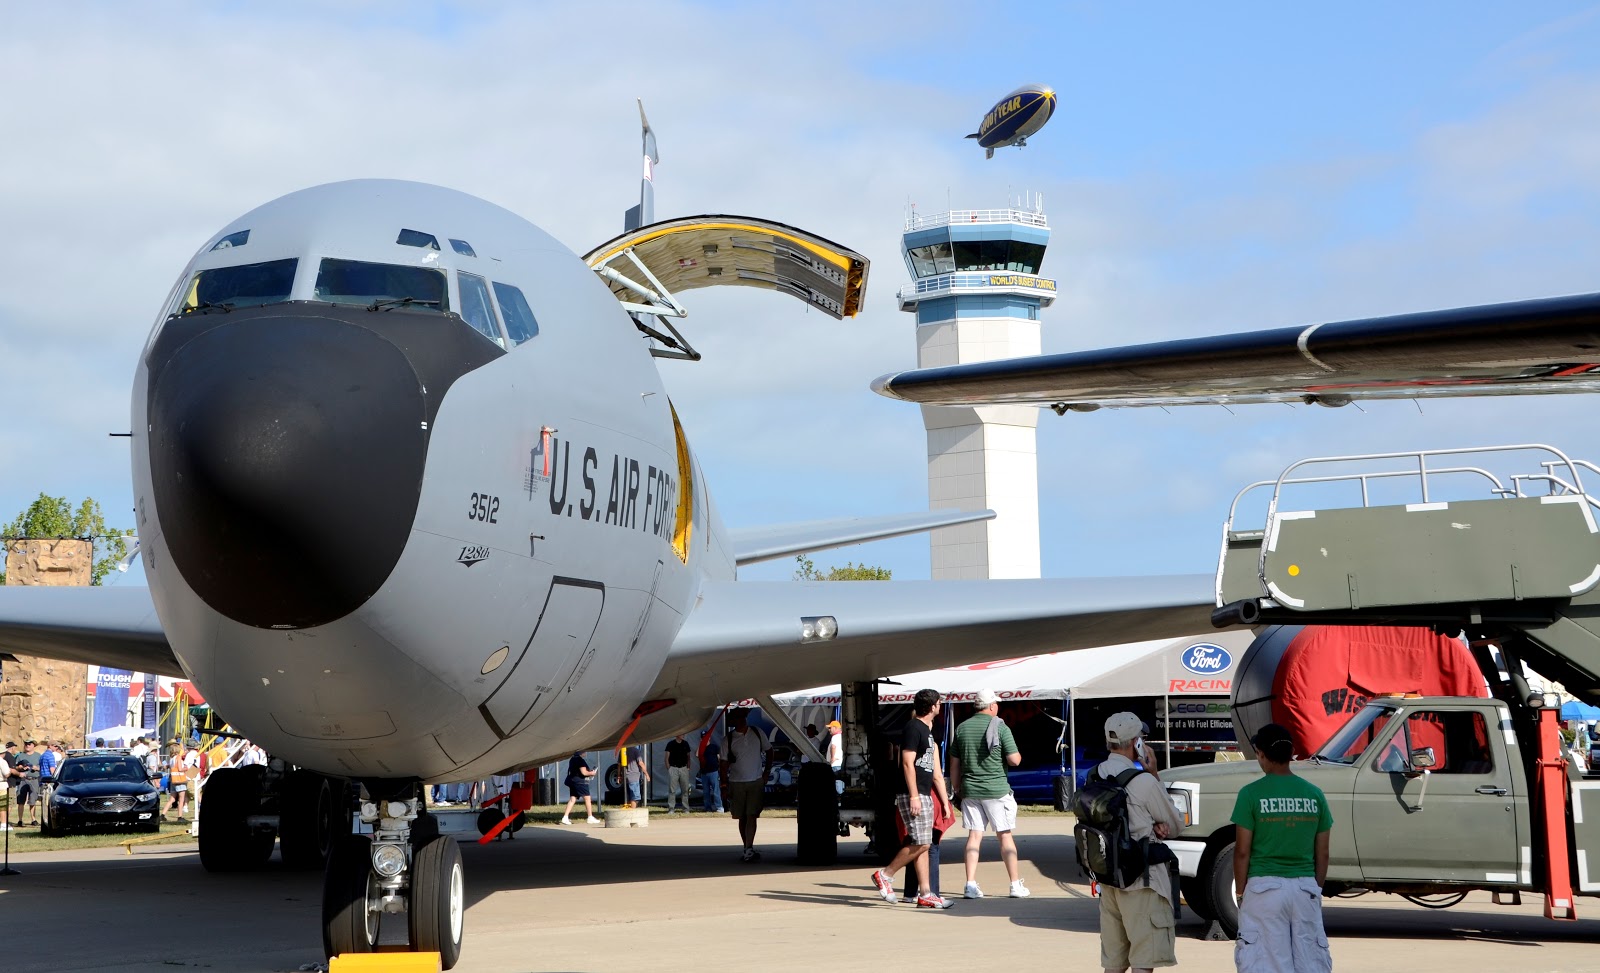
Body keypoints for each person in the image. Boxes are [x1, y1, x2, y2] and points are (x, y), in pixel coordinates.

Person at [1231, 723, 1333, 973]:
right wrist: (1314, 888)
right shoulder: (1314, 795)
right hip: (1304, 888)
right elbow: (1322, 853)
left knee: (1266, 963)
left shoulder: (1250, 794)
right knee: (1309, 963)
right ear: (1292, 753)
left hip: (1264, 889)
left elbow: (1242, 851)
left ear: (1261, 754)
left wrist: (1242, 893)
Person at [1095, 712, 1184, 973]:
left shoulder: (1094, 775)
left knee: (1114, 963)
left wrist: (1147, 821)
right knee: (1143, 961)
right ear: (1136, 742)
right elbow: (1175, 824)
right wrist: (1154, 773)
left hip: (1109, 881)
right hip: (1141, 881)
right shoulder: (1143, 781)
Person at [869, 688, 954, 909]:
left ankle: (926, 893)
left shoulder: (927, 730)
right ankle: (885, 875)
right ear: (932, 706)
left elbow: (935, 773)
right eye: (939, 702)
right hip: (912, 794)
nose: (940, 706)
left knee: (922, 843)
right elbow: (907, 763)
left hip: (924, 793)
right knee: (922, 842)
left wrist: (943, 802)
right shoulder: (913, 728)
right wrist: (914, 795)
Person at [949, 689, 1028, 899]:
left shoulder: (962, 728)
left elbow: (954, 763)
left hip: (970, 790)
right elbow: (1014, 760)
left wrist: (957, 789)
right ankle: (1014, 885)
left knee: (974, 836)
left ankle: (970, 884)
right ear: (992, 706)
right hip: (996, 790)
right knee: (1005, 836)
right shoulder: (1000, 727)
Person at [721, 708, 771, 862]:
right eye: (737, 718)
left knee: (752, 815)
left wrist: (766, 772)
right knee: (742, 817)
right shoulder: (728, 739)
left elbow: (769, 751)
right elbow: (723, 763)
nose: (741, 720)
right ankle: (747, 847)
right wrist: (724, 785)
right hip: (736, 782)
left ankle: (749, 848)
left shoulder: (757, 732)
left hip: (755, 780)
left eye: (742, 717)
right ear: (733, 721)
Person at [561, 752, 599, 825]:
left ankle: (565, 817)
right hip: (580, 782)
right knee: (587, 798)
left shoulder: (572, 759)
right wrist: (592, 773)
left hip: (573, 781)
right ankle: (590, 817)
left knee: (572, 799)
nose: (586, 752)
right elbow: (584, 772)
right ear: (580, 753)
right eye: (584, 751)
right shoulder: (580, 760)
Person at [13, 740, 42, 826]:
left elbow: (42, 767)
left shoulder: (38, 756)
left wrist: (36, 768)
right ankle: (20, 820)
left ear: (33, 745)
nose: (27, 745)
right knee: (21, 801)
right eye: (26, 744)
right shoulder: (20, 755)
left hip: (34, 780)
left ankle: (33, 819)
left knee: (33, 800)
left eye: (29, 744)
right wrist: (20, 767)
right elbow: (15, 767)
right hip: (23, 780)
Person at [664, 734, 692, 813]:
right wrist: (669, 768)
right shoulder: (670, 744)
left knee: (685, 789)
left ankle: (686, 808)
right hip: (673, 768)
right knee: (672, 790)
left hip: (684, 768)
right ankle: (671, 808)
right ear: (677, 735)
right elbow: (666, 758)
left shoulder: (685, 744)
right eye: (682, 734)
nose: (683, 735)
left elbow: (688, 757)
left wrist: (688, 767)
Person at [698, 731, 723, 813]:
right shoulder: (701, 748)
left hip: (713, 771)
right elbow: (697, 754)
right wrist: (701, 744)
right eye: (703, 738)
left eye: (706, 737)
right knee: (706, 791)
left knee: (716, 790)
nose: (704, 739)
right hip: (704, 772)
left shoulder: (714, 747)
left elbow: (719, 758)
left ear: (709, 738)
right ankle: (708, 808)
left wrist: (719, 768)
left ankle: (719, 807)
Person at [0, 741, 23, 831]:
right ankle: (3, 823)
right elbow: (7, 773)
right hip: (3, 785)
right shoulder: (4, 760)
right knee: (4, 805)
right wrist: (18, 773)